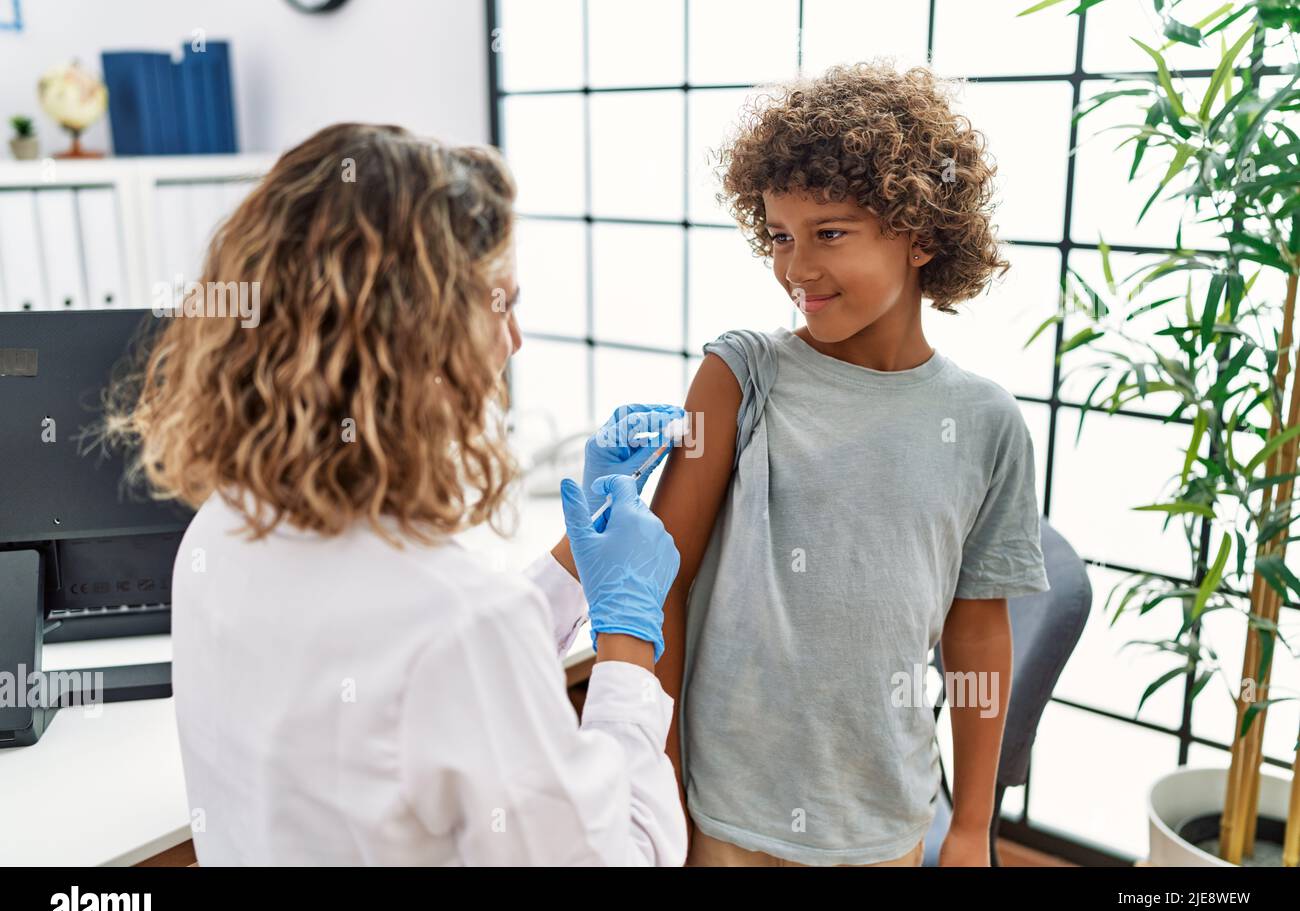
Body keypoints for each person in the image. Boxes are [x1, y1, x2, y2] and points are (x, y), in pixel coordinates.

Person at [106, 122, 688, 865]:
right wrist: (628, 642)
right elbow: (624, 854)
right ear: (417, 338)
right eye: (500, 305)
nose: (514, 341)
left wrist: (579, 559)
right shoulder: (459, 624)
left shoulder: (220, 531)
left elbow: (432, 685)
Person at [650, 60, 1051, 867]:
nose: (796, 269)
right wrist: (657, 790)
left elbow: (977, 631)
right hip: (723, 812)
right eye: (779, 236)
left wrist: (970, 826)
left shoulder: (986, 424)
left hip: (883, 820)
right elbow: (659, 586)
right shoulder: (739, 378)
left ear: (921, 234)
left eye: (829, 233)